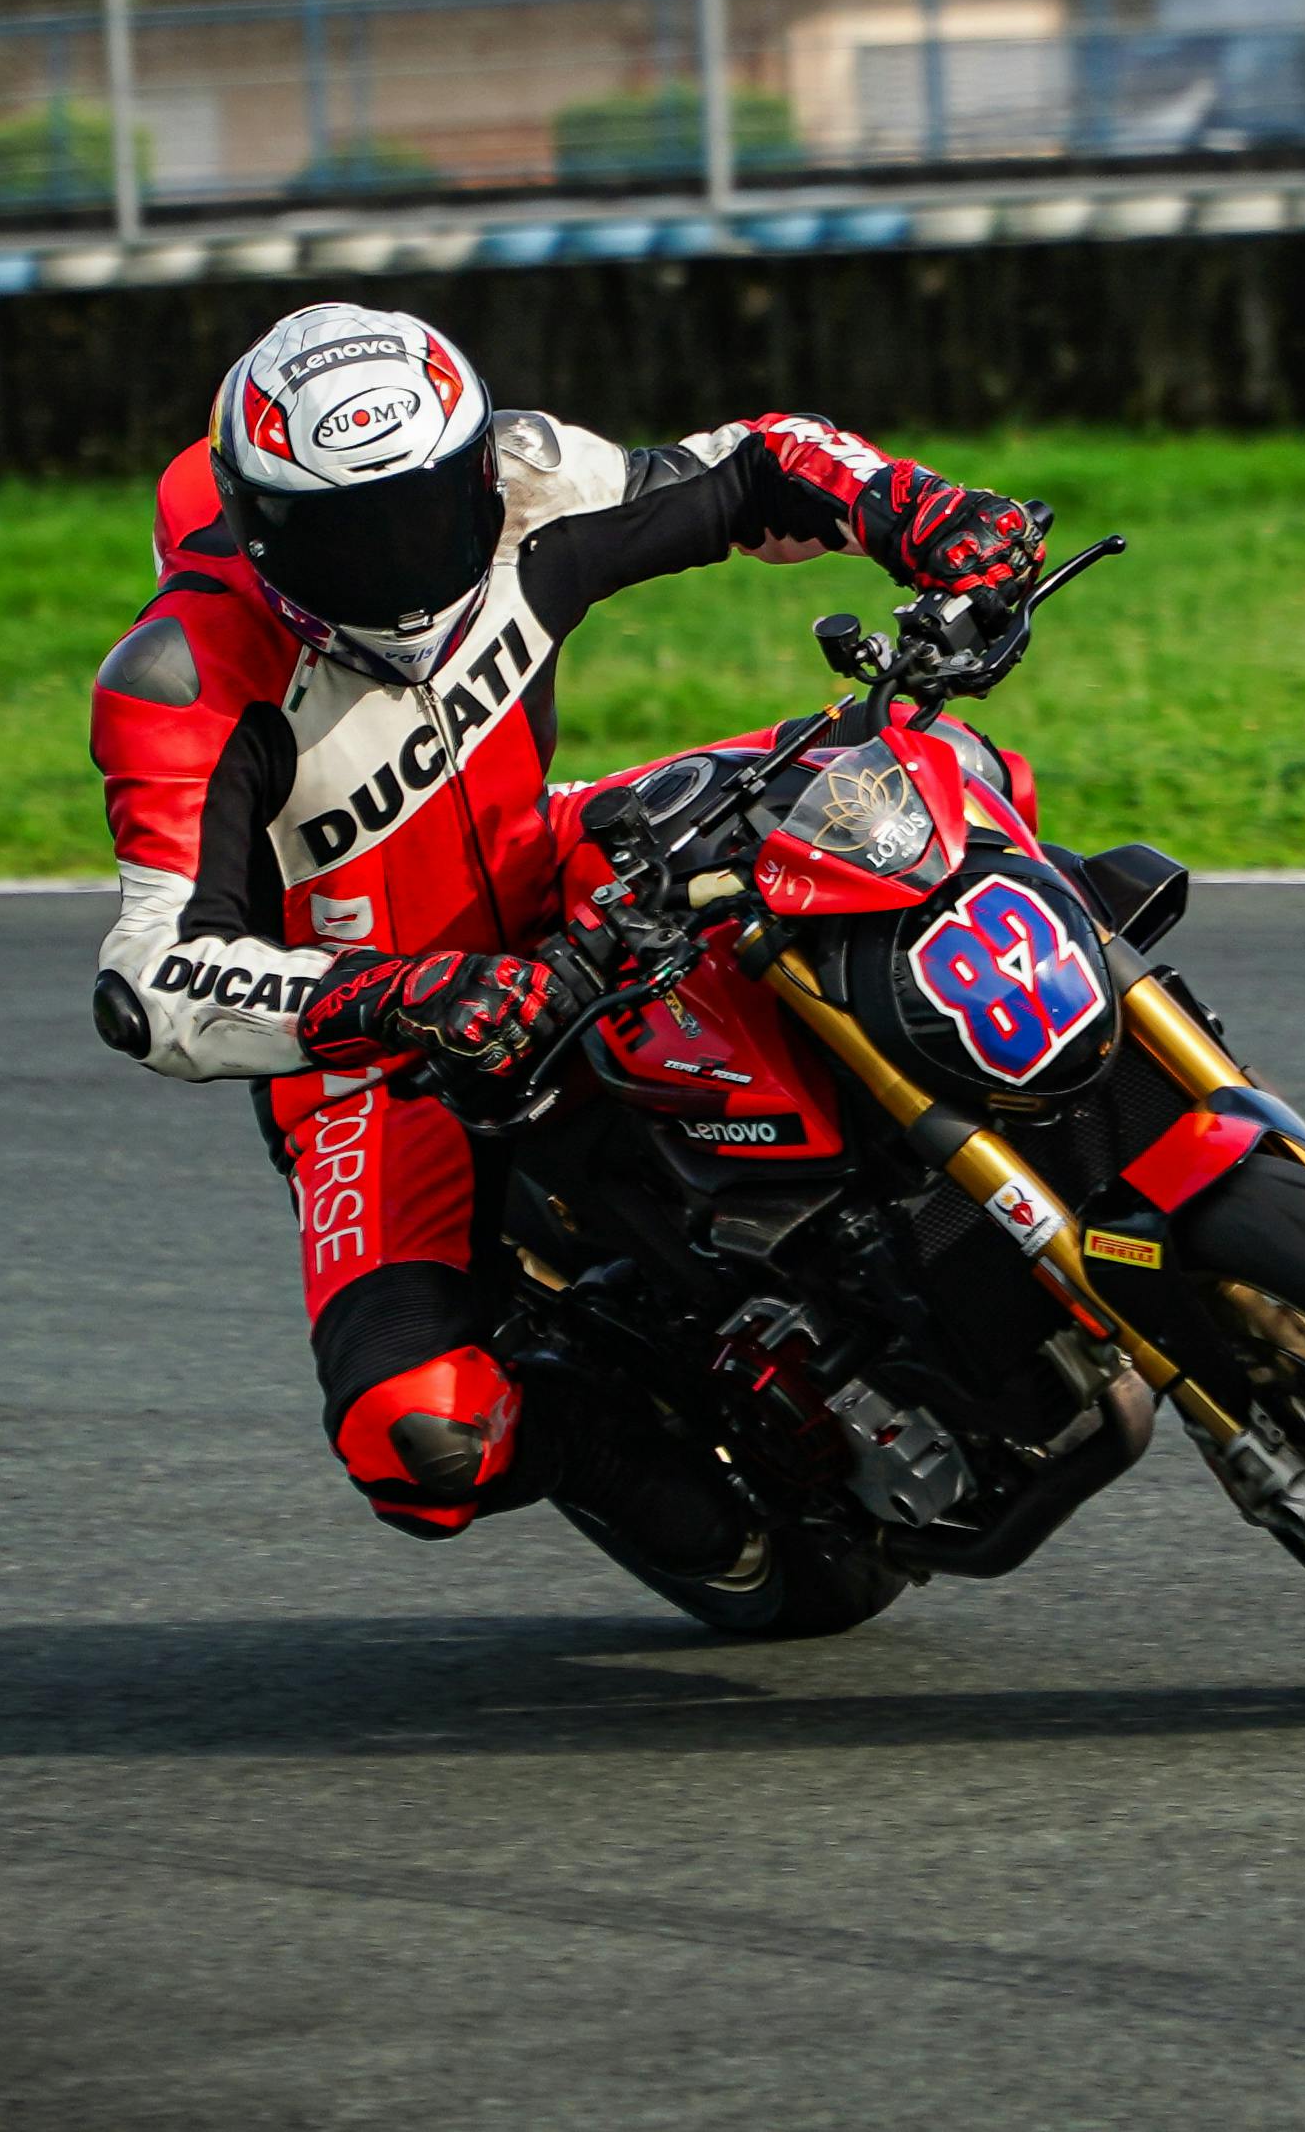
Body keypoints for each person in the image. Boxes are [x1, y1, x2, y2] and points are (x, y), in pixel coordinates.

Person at [88, 302, 1043, 1575]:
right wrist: (398, 995)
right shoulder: (180, 681)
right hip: (381, 1049)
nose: (408, 566)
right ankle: (601, 1431)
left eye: (432, 510)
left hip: (568, 863)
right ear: (263, 531)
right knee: (415, 1437)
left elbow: (756, 461)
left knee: (932, 775)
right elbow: (149, 977)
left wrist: (919, 512)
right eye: (349, 539)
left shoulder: (529, 484)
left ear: (477, 468)